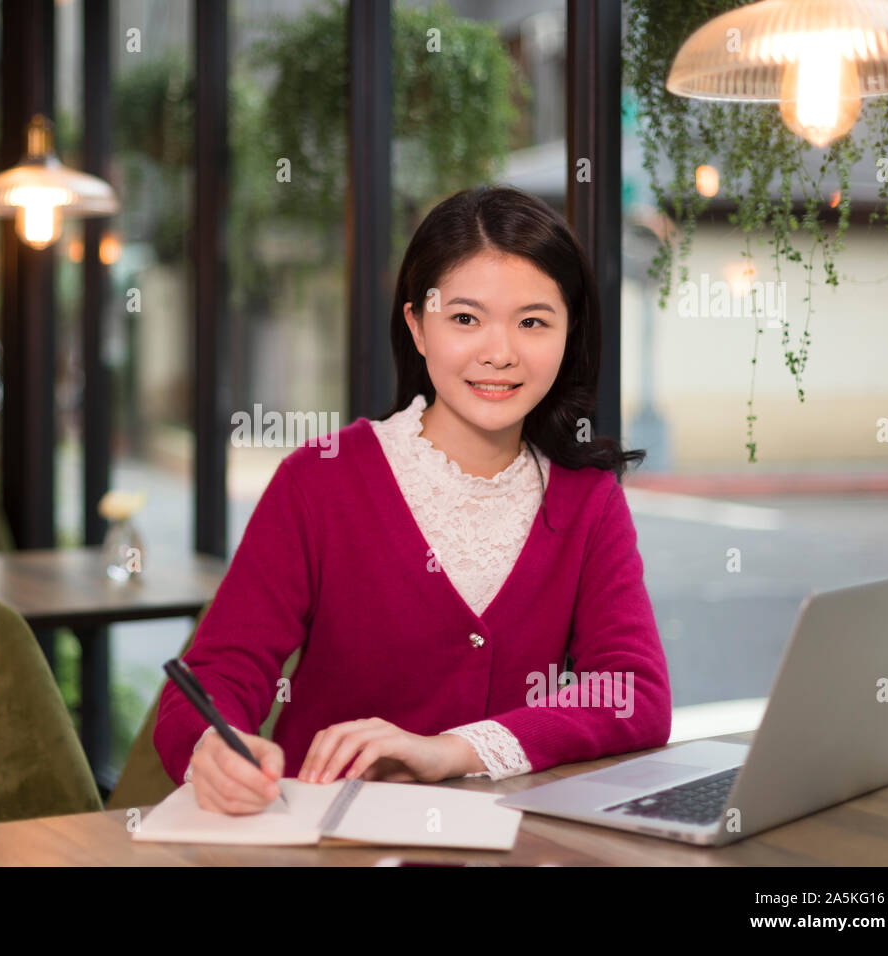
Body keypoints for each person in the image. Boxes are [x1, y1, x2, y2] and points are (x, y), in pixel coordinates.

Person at [154, 185, 671, 815]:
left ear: (569, 335)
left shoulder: (588, 501)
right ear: (416, 327)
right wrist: (214, 745)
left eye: (533, 321)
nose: (500, 352)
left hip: (515, 850)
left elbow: (632, 693)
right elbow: (217, 672)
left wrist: (454, 750)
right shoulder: (319, 480)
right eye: (464, 318)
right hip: (333, 848)